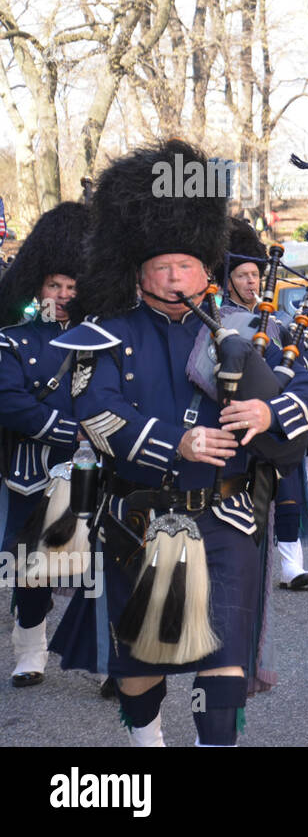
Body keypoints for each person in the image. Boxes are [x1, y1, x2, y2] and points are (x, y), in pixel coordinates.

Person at [48, 140, 308, 746]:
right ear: (138, 271)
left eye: (187, 266)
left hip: (227, 518)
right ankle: (146, 745)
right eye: (161, 267)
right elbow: (95, 414)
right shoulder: (105, 336)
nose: (175, 278)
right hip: (139, 520)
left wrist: (269, 408)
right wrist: (179, 443)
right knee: (139, 669)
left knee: (222, 664)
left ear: (209, 269)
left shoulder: (249, 331)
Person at [0, 203, 90, 688]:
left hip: (95, 469)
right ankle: (29, 650)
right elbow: (10, 403)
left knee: (97, 569)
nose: (61, 296)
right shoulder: (12, 341)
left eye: (71, 288)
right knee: (32, 566)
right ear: (38, 287)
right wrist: (69, 430)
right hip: (32, 469)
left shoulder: (101, 339)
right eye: (54, 286)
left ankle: (103, 657)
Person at [217, 216, 308, 590]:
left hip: (275, 417)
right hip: (239, 420)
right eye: (242, 275)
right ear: (228, 280)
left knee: (290, 490)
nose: (251, 282)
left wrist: (301, 343)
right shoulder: (221, 319)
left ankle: (293, 566)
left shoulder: (273, 321)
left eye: (255, 275)